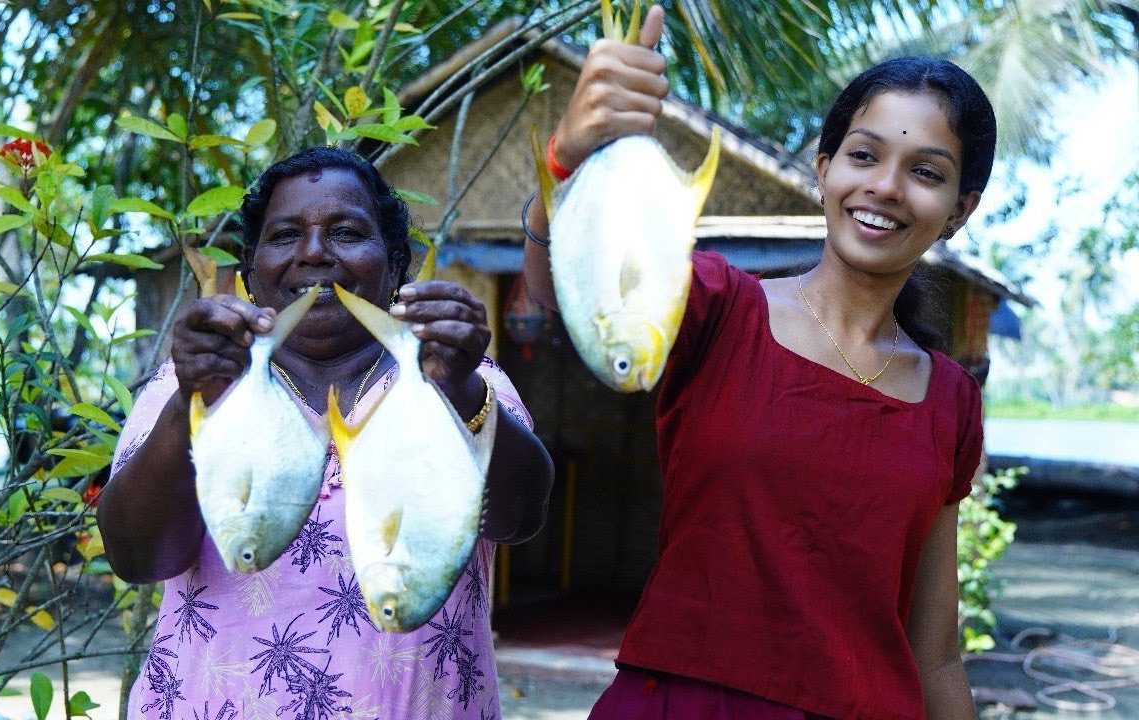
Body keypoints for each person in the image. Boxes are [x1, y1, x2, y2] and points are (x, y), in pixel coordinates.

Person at [521, 7, 991, 720]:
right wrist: (568, 154)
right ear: (825, 169)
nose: (887, 187)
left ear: (960, 209)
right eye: (864, 156)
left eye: (925, 172)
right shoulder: (715, 306)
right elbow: (560, 293)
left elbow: (936, 654)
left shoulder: (949, 399)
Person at [99, 146, 554, 720]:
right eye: (286, 235)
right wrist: (192, 400)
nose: (314, 253)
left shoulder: (467, 380)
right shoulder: (187, 387)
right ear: (251, 264)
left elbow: (520, 517)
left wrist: (458, 385)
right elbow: (137, 556)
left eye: (346, 232)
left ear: (395, 263)